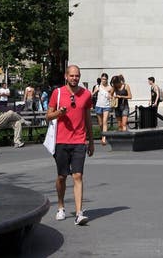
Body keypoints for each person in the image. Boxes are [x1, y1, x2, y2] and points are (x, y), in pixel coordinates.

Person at [47, 64, 94, 224]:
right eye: (72, 75)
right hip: (61, 141)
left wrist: (91, 140)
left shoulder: (86, 94)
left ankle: (79, 213)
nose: (75, 78)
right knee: (62, 176)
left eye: (77, 76)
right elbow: (48, 116)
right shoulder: (57, 93)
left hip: (79, 141)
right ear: (66, 76)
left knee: (78, 175)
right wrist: (59, 113)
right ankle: (60, 207)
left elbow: (88, 118)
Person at [93, 73, 113, 145]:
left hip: (106, 106)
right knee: (100, 123)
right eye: (102, 79)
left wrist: (110, 96)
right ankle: (102, 134)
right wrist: (95, 91)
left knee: (105, 122)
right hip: (98, 106)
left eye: (105, 79)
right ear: (101, 79)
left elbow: (113, 96)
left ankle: (104, 138)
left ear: (107, 79)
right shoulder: (97, 86)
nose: (104, 80)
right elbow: (92, 95)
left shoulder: (110, 87)